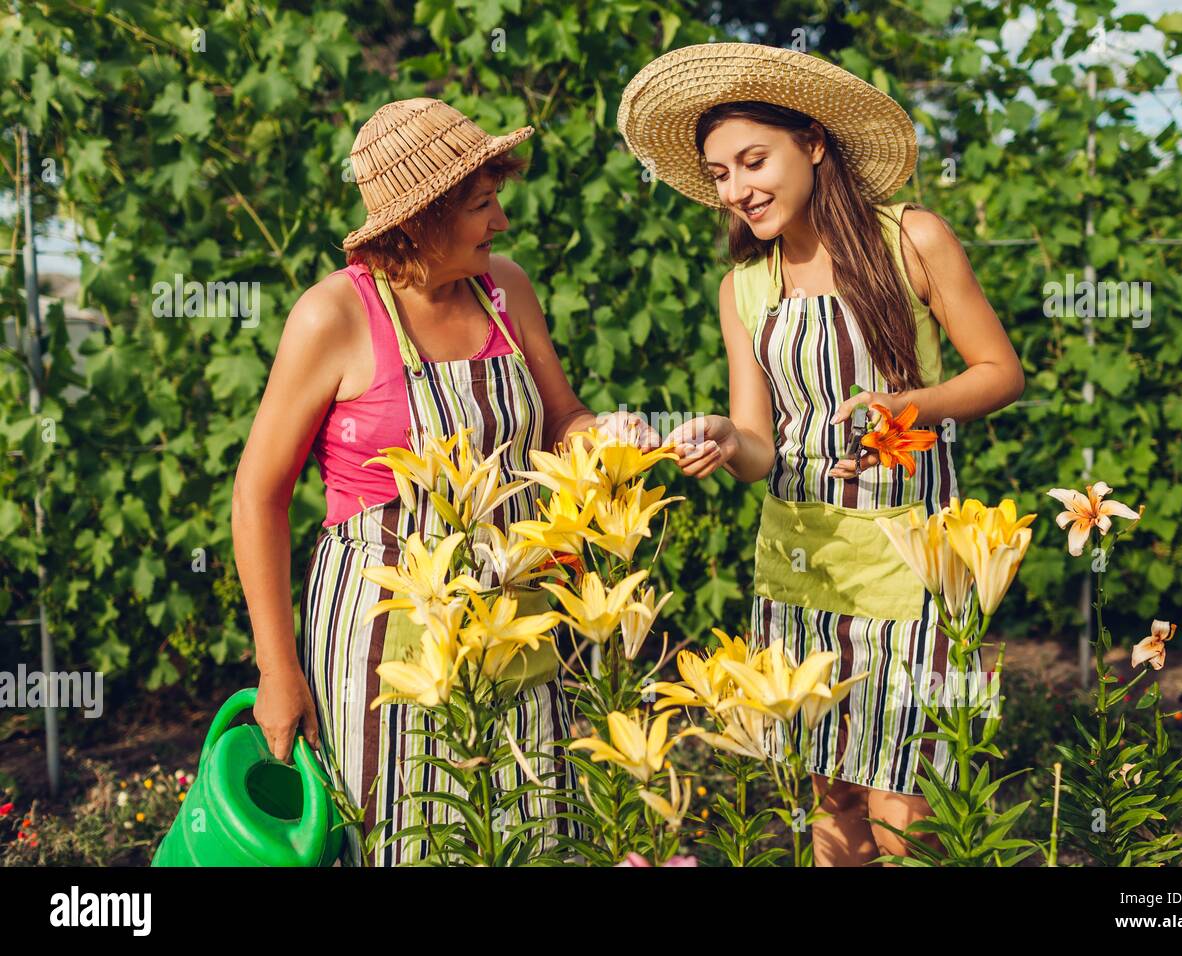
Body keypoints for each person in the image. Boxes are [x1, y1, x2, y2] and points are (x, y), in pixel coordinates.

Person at [617, 43, 1025, 865]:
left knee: (906, 795)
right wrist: (726, 442)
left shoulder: (912, 237)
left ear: (812, 141)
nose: (737, 189)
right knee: (828, 786)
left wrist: (911, 405)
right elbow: (761, 446)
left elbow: (1000, 373)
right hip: (802, 563)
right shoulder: (746, 287)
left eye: (752, 160)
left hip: (915, 556)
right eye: (720, 173)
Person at [231, 97, 653, 865]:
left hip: (515, 610)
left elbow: (563, 419)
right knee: (408, 831)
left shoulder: (505, 290)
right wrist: (276, 670)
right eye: (482, 206)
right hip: (382, 637)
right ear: (418, 219)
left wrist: (615, 435)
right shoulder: (334, 316)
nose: (500, 223)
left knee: (529, 827)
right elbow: (258, 495)